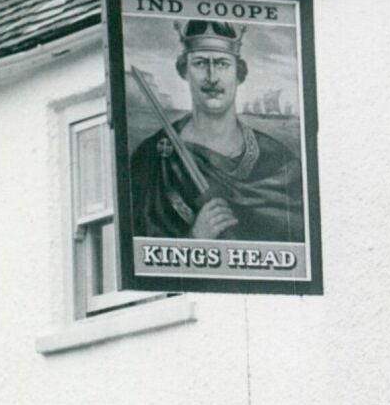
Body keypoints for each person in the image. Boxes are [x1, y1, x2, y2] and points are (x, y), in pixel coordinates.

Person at [127, 20, 306, 245]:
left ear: (238, 74)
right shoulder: (150, 158)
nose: (212, 77)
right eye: (200, 64)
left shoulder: (280, 162)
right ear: (185, 71)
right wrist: (196, 238)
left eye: (222, 64)